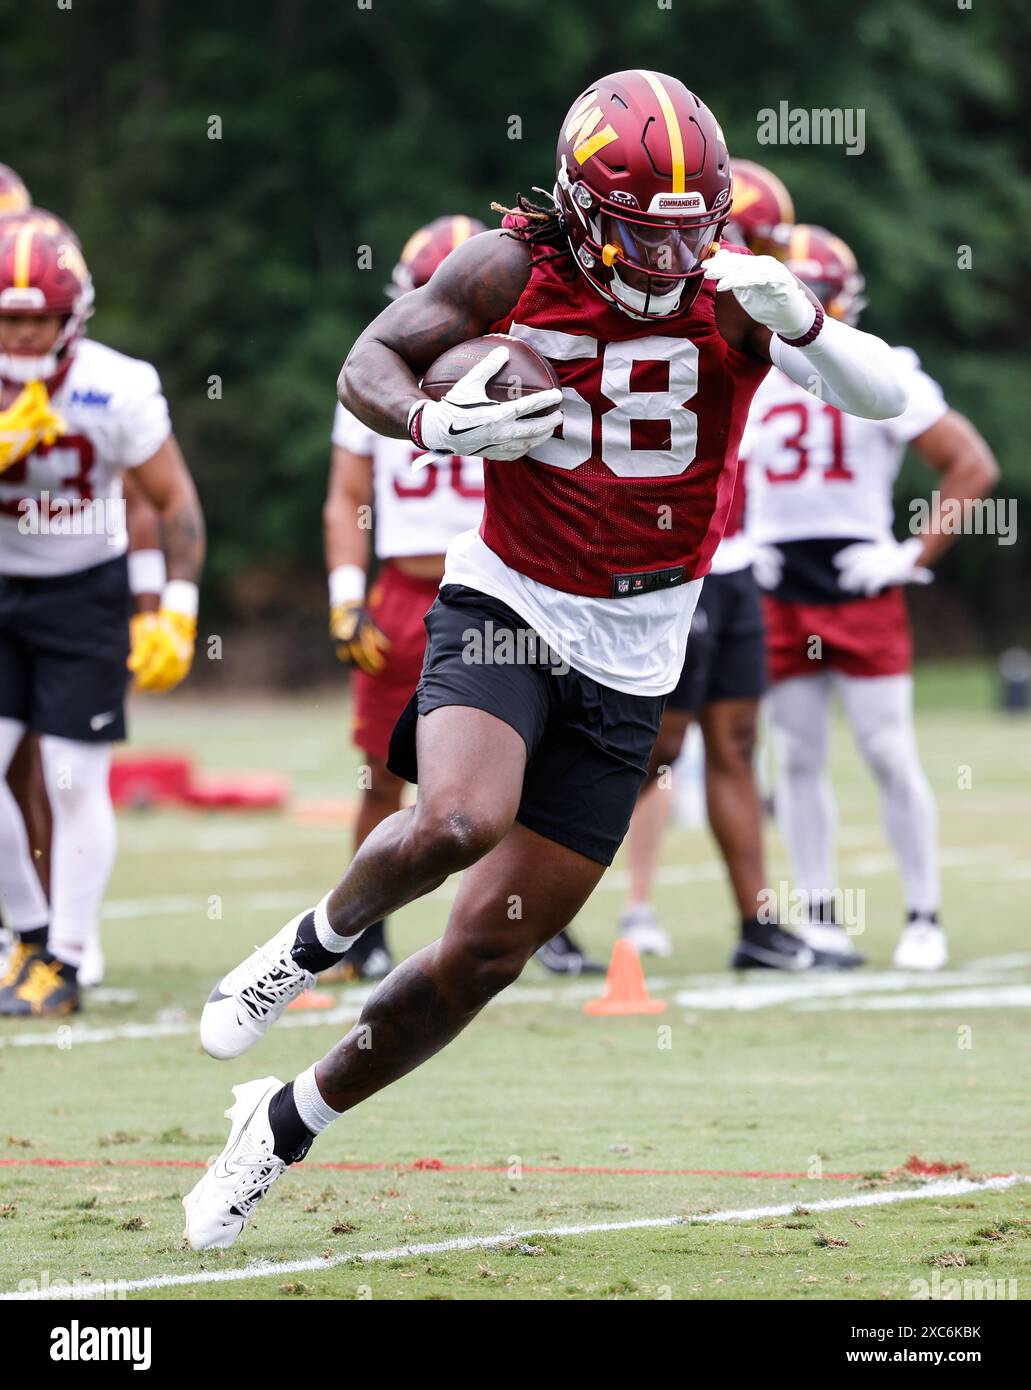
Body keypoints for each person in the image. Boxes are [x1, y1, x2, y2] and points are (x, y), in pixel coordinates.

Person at [184, 70, 907, 1251]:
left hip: (641, 639)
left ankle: (279, 1122)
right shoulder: (507, 267)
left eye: (689, 229)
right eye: (640, 230)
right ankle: (304, 946)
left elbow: (876, 401)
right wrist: (435, 423)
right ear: (578, 208)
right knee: (461, 817)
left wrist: (807, 322)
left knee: (485, 951)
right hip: (509, 595)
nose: (668, 256)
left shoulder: (727, 292)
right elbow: (366, 365)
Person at [324, 215, 604, 980]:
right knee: (384, 777)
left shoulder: (523, 362)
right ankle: (361, 932)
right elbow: (347, 498)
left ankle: (529, 921)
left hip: (502, 589)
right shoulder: (383, 376)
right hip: (406, 590)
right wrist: (346, 596)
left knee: (517, 775)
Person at [744, 225, 999, 970]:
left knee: (888, 752)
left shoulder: (886, 372)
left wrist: (907, 556)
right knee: (792, 756)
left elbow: (970, 466)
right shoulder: (751, 370)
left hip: (857, 579)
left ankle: (922, 915)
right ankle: (820, 920)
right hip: (776, 579)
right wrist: (737, 542)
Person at [618, 158, 849, 971]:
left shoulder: (761, 315)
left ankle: (757, 922)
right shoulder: (690, 314)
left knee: (734, 742)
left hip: (738, 560)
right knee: (652, 748)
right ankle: (618, 910)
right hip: (677, 565)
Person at [0, 220, 206, 1017]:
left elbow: (174, 500)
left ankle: (69, 961)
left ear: (70, 317)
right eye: (7, 318)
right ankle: (31, 932)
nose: (20, 334)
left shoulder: (114, 385)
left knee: (70, 776)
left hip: (83, 588)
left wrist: (175, 610)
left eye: (35, 318)